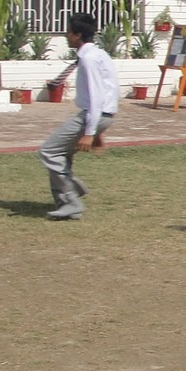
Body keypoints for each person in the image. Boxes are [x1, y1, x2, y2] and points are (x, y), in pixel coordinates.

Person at [39, 12, 120, 221]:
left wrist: (90, 132)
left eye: (69, 32)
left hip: (93, 115)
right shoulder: (100, 54)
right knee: (62, 154)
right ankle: (66, 205)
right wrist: (98, 130)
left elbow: (96, 96)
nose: (66, 36)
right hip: (101, 115)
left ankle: (72, 196)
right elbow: (109, 91)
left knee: (49, 151)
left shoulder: (89, 59)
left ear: (77, 35)